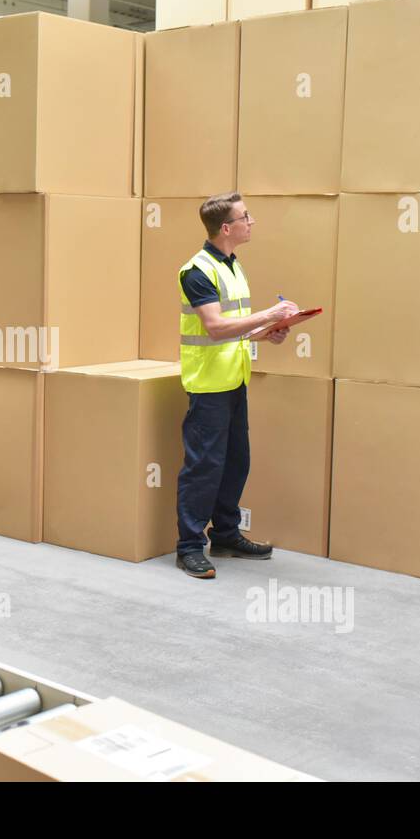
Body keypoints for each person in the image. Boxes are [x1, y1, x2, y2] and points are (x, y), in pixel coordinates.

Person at [174, 192, 298, 580]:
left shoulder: (232, 266)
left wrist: (265, 333)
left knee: (235, 463)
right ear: (226, 228)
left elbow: (233, 330)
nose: (252, 222)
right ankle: (190, 547)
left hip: (234, 380)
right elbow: (214, 327)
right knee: (203, 467)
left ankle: (225, 535)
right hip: (209, 385)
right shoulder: (196, 271)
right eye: (246, 217)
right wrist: (270, 313)